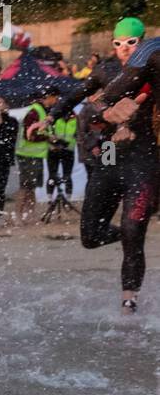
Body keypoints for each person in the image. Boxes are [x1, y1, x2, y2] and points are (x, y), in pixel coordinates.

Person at [49, 17, 153, 312]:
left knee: (135, 228)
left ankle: (128, 300)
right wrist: (51, 115)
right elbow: (75, 95)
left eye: (131, 43)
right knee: (91, 236)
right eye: (118, 44)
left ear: (142, 42)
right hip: (109, 153)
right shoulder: (105, 70)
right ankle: (127, 235)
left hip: (143, 157)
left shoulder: (154, 70)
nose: (124, 49)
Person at [14, 90, 57, 222]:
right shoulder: (35, 111)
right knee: (25, 186)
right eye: (55, 97)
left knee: (31, 186)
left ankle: (30, 214)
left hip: (35, 154)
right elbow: (30, 135)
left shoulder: (41, 111)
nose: (56, 100)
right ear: (48, 97)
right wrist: (48, 138)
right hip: (27, 154)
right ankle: (18, 215)